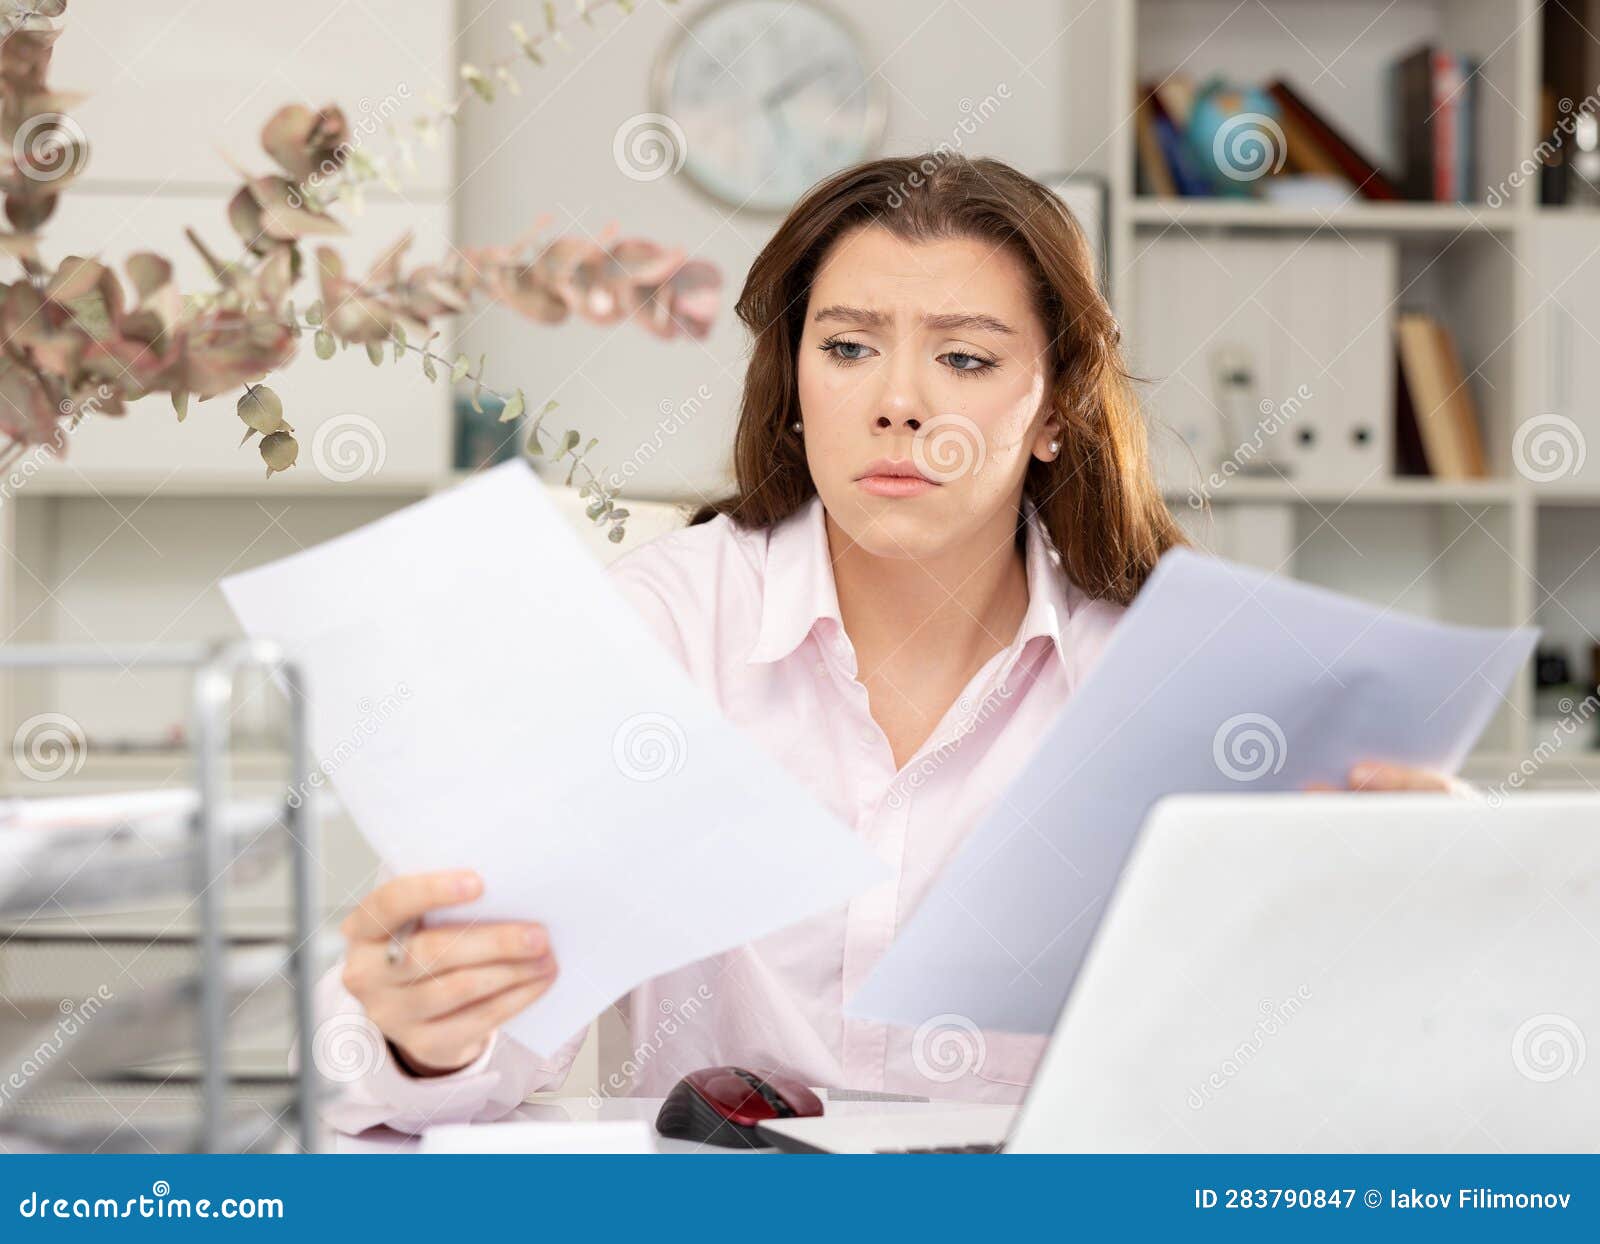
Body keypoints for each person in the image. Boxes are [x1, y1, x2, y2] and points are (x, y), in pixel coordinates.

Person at [318, 154, 1465, 1135]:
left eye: (964, 358)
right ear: (794, 385)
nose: (897, 402)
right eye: (850, 346)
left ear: (1056, 408)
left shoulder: (1172, 677)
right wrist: (422, 1035)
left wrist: (1415, 907)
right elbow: (426, 1049)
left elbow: (1299, 1069)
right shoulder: (652, 629)